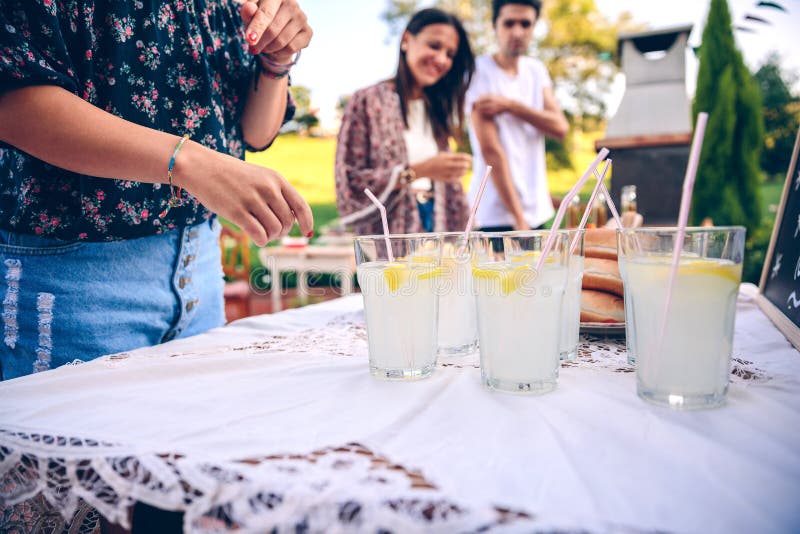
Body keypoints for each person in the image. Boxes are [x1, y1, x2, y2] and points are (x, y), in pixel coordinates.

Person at [0, 0, 314, 380]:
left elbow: (255, 132)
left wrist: (277, 61)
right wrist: (192, 164)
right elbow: (13, 101)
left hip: (201, 268)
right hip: (72, 280)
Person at [335, 8, 474, 235]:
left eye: (450, 54)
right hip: (389, 229)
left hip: (437, 221)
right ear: (406, 40)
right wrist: (419, 171)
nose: (441, 59)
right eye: (434, 46)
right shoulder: (367, 101)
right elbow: (350, 181)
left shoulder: (437, 110)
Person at [466, 0, 569, 232]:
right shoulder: (477, 72)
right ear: (495, 26)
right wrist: (518, 218)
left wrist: (511, 106)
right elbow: (491, 151)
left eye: (525, 24)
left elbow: (560, 127)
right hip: (495, 216)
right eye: (509, 23)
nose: (517, 32)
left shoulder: (536, 70)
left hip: (537, 212)